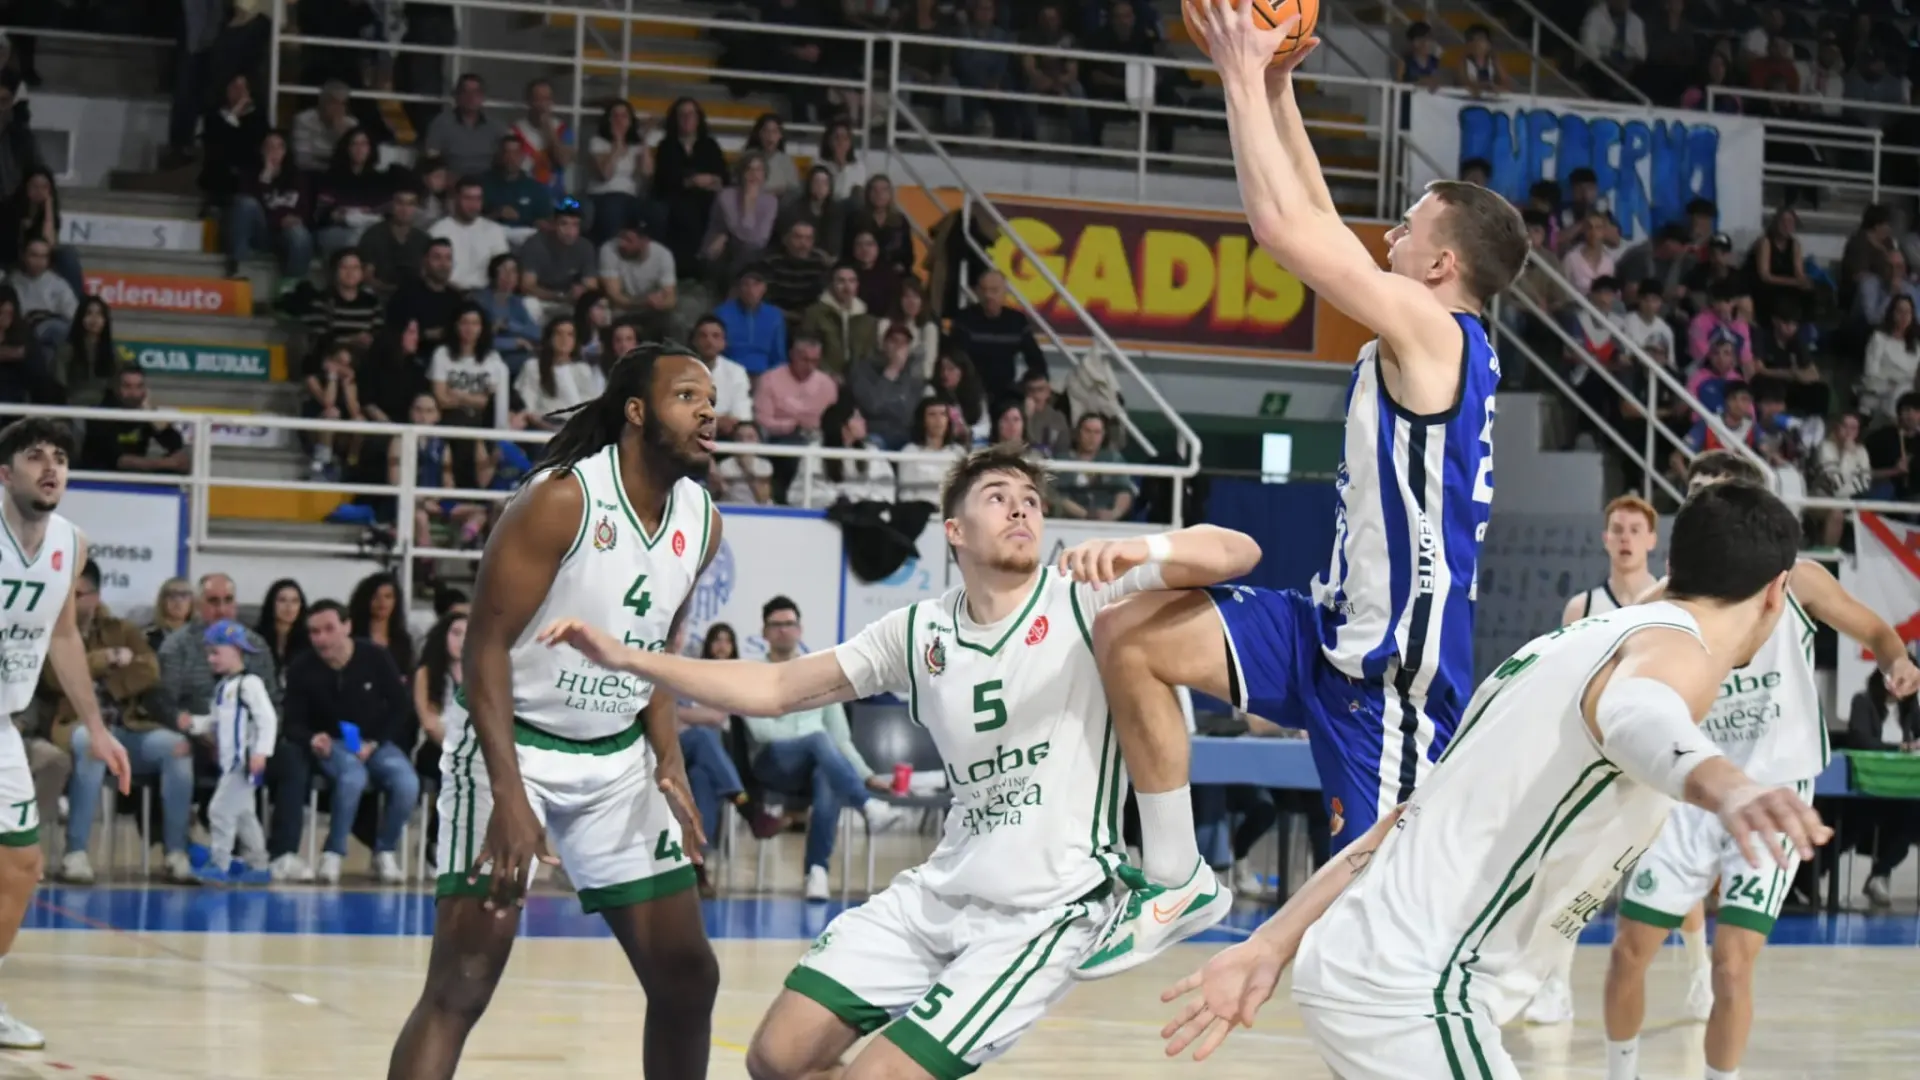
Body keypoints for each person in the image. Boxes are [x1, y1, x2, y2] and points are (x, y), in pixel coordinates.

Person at [535, 445, 1260, 1080]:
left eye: (1032, 500)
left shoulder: (1085, 594)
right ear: (955, 531)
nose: (1021, 509)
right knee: (778, 1058)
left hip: (1046, 908)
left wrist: (1146, 549)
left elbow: (1237, 551)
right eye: (997, 497)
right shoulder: (918, 631)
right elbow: (777, 687)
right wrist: (632, 659)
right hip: (940, 893)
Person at [1075, 3, 1530, 979]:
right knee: (1128, 632)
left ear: (1443, 264)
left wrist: (1239, 75)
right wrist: (1280, 89)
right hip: (1326, 628)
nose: (1388, 234)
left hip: (1392, 683)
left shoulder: (1434, 333)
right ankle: (1176, 876)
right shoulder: (1422, 329)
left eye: (1408, 226)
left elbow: (1285, 230)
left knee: (1375, 948)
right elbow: (1318, 222)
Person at [1160, 481, 1831, 1079]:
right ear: (1777, 593)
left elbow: (1406, 820)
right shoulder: (1678, 650)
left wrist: (1272, 940)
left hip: (1357, 968)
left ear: (1673, 564)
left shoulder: (1564, 646)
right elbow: (1639, 712)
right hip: (1417, 993)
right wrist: (1729, 784)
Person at [386, 343, 724, 1080]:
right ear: (636, 413)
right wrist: (509, 792)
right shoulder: (562, 499)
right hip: (516, 745)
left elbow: (656, 648)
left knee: (687, 976)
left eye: (711, 399)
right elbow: (483, 649)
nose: (707, 412)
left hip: (617, 759)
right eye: (686, 397)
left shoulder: (703, 519)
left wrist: (668, 758)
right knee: (463, 982)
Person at [1600, 452, 1920, 1080]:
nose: (1702, 506)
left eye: (1715, 494)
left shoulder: (1796, 580)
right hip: (1694, 788)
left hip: (1774, 788)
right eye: (1694, 495)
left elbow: (1876, 631)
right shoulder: (1664, 598)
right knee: (1628, 952)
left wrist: (1896, 662)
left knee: (1732, 965)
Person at [0, 417, 131, 1049]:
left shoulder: (72, 543)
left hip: (2, 723)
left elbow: (63, 635)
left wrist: (97, 729)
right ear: (5, 474)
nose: (50, 466)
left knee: (22, 865)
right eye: (35, 456)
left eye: (59, 457)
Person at [1521, 492, 1663, 1024]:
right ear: (1605, 539)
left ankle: (1700, 974)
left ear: (1652, 540)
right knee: (1571, 875)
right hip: (1596, 759)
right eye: (1617, 529)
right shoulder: (1582, 607)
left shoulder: (1669, 607)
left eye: (1635, 530)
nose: (1625, 538)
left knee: (1671, 881)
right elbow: (1563, 684)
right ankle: (1555, 986)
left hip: (1653, 759)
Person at [185, 620, 277, 884]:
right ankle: (258, 864)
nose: (211, 659)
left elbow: (268, 719)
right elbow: (215, 721)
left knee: (219, 811)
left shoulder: (250, 684)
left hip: (243, 763)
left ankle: (220, 862)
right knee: (245, 815)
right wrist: (193, 724)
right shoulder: (223, 688)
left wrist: (261, 753)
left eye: (216, 653)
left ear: (236, 650)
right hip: (229, 764)